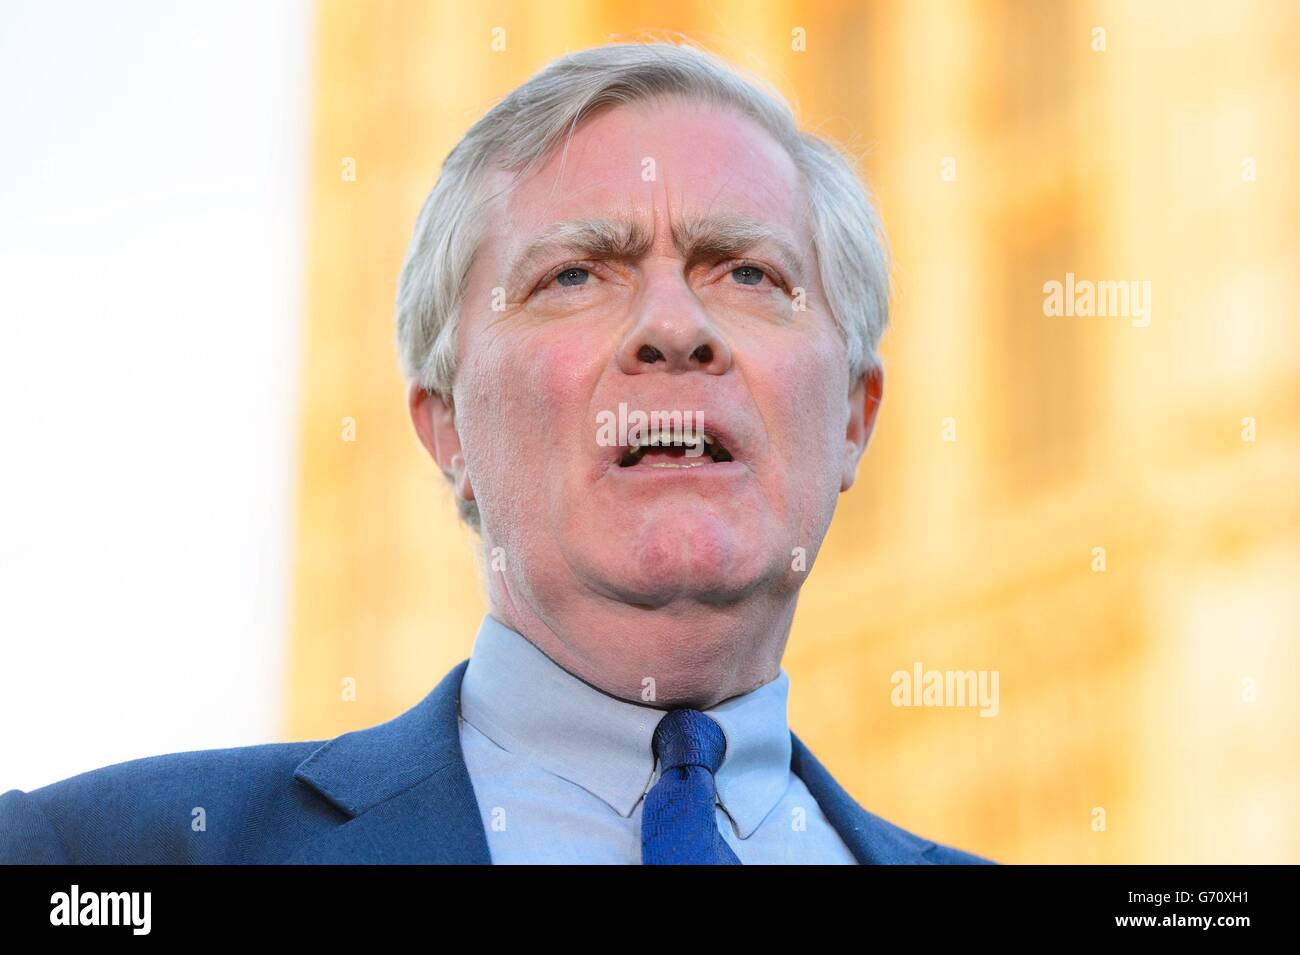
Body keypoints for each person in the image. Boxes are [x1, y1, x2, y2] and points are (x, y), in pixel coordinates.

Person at [0, 40, 992, 865]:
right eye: (574, 274)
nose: (675, 327)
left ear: (857, 414)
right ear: (445, 424)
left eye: (745, 269)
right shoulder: (88, 856)